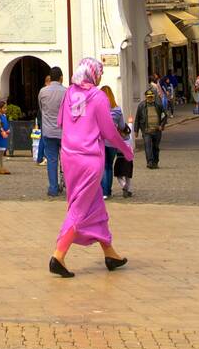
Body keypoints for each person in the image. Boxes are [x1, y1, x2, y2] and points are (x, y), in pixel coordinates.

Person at [49, 58, 132, 279]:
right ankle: (58, 255)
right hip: (89, 159)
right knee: (79, 208)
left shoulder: (68, 94)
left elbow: (61, 123)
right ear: (93, 74)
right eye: (99, 74)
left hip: (69, 156)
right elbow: (109, 131)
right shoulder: (98, 96)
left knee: (94, 204)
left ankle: (110, 253)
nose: (100, 78)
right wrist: (126, 149)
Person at [38, 67, 66, 198]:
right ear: (61, 77)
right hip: (64, 131)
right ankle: (67, 184)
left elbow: (41, 108)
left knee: (51, 160)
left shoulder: (43, 92)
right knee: (66, 160)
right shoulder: (66, 92)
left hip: (48, 131)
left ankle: (53, 188)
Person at [100, 85, 125, 197]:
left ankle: (102, 191)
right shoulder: (117, 110)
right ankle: (107, 191)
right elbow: (122, 125)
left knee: (102, 166)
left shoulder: (97, 109)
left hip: (100, 141)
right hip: (112, 142)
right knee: (109, 166)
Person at [134, 87, 166, 168]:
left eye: (151, 97)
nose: (150, 98)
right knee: (148, 146)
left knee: (155, 147)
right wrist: (136, 131)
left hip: (156, 131)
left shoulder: (158, 105)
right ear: (146, 97)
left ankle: (155, 162)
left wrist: (161, 125)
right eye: (148, 97)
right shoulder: (141, 106)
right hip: (146, 130)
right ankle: (150, 162)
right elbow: (137, 118)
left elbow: (164, 116)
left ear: (154, 97)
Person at [0, 99, 11, 173]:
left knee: (2, 153)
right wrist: (3, 131)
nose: (6, 109)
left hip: (4, 136)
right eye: (4, 108)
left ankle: (1, 166)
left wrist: (7, 130)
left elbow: (6, 124)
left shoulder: (4, 116)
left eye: (6, 108)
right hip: (0, 137)